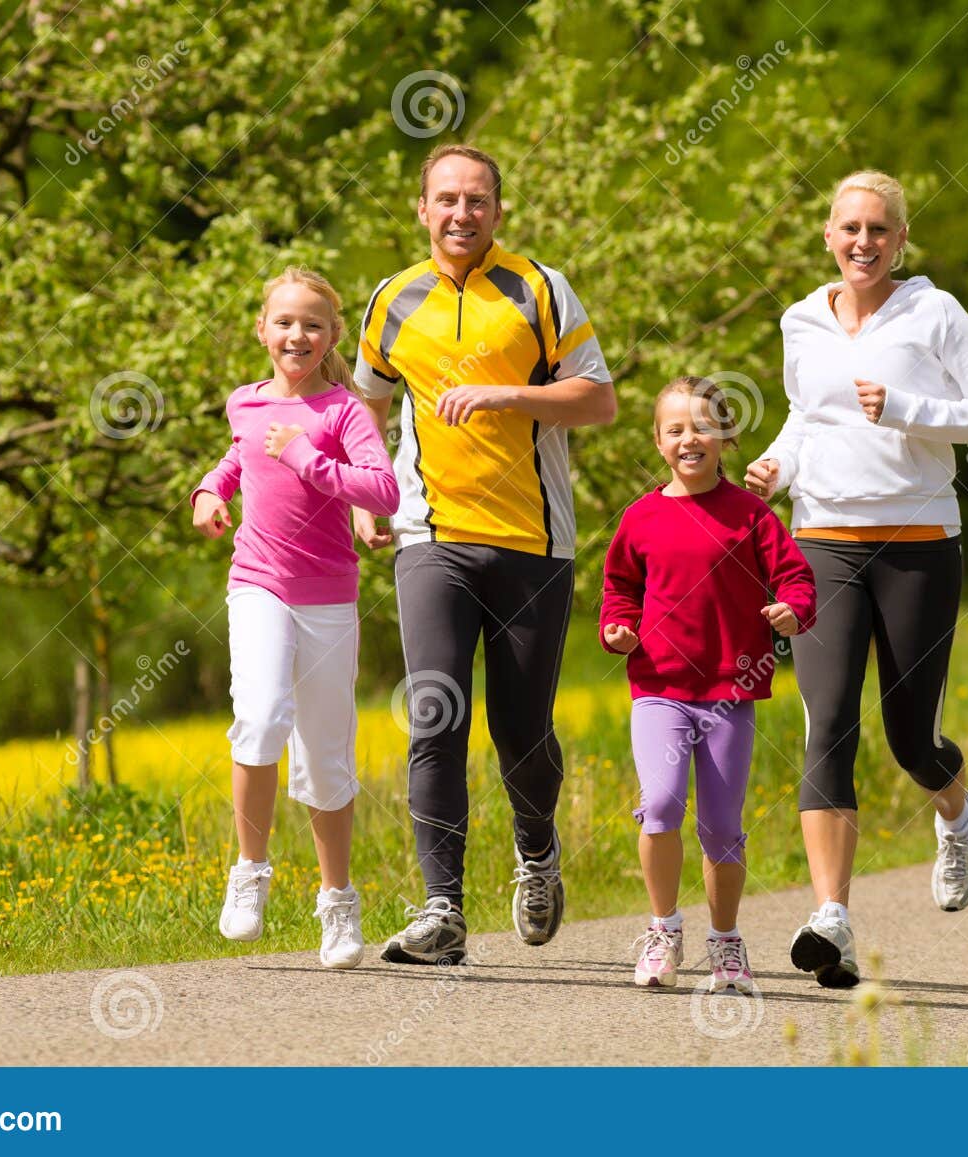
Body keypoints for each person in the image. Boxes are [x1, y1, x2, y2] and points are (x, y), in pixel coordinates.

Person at [745, 170, 968, 988]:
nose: (862, 242)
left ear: (901, 241)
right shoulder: (801, 318)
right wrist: (778, 463)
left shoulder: (933, 312)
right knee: (826, 722)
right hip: (822, 539)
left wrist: (909, 408)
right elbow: (807, 413)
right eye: (849, 228)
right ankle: (831, 917)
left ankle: (955, 810)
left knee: (911, 737)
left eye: (879, 229)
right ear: (828, 235)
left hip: (918, 541)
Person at [350, 144, 616, 965]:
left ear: (497, 211)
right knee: (434, 717)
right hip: (433, 536)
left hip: (534, 541)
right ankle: (442, 910)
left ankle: (537, 854)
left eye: (477, 200)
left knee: (522, 732)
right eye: (446, 199)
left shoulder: (539, 288)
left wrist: (508, 395)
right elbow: (364, 399)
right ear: (420, 208)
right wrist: (367, 493)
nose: (461, 213)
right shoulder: (392, 299)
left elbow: (598, 400)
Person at [190, 267, 400, 968]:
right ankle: (250, 870)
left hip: (329, 593)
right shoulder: (243, 404)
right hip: (257, 581)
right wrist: (209, 491)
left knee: (324, 753)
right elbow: (239, 457)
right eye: (283, 322)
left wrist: (310, 458)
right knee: (258, 714)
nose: (297, 335)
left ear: (332, 335)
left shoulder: (343, 413)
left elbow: (383, 487)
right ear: (261, 329)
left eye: (312, 324)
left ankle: (337, 899)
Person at [601, 376, 815, 991]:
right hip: (659, 688)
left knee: (722, 825)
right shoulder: (641, 519)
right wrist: (617, 627)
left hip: (729, 692)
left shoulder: (751, 516)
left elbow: (796, 577)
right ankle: (664, 930)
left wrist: (792, 610)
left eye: (701, 427)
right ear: (659, 442)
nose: (688, 439)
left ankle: (726, 943)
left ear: (726, 438)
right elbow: (618, 590)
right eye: (675, 429)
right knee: (661, 804)